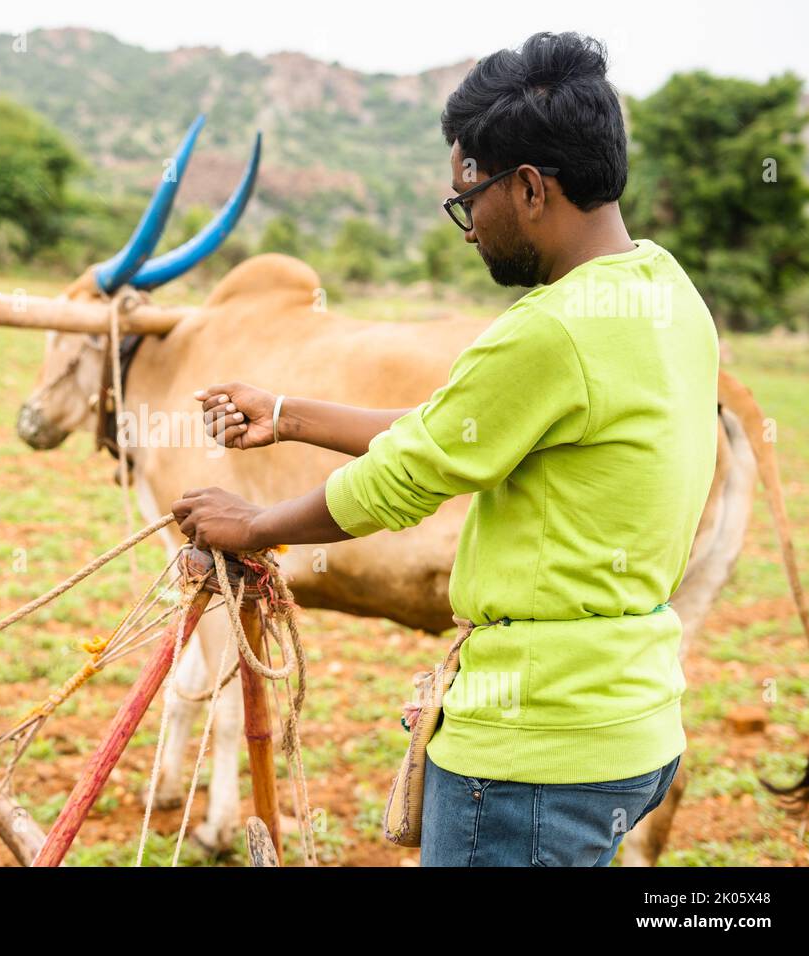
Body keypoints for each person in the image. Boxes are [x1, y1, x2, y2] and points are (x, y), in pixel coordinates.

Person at [170, 31, 717, 866]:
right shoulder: (665, 294)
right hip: (630, 722)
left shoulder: (550, 330)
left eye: (470, 199)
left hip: (530, 751)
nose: (467, 229)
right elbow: (456, 432)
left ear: (531, 187)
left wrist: (254, 525)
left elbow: (400, 480)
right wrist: (288, 413)